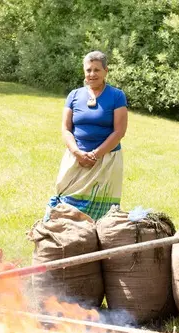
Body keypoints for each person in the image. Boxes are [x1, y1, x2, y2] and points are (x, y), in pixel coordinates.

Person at [46, 51, 128, 220]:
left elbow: (119, 131)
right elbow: (66, 128)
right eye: (88, 70)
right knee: (66, 202)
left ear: (106, 71)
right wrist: (78, 153)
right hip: (76, 158)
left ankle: (96, 241)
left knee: (102, 214)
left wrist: (95, 155)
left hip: (106, 161)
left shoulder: (117, 96)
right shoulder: (74, 95)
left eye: (97, 70)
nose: (92, 74)